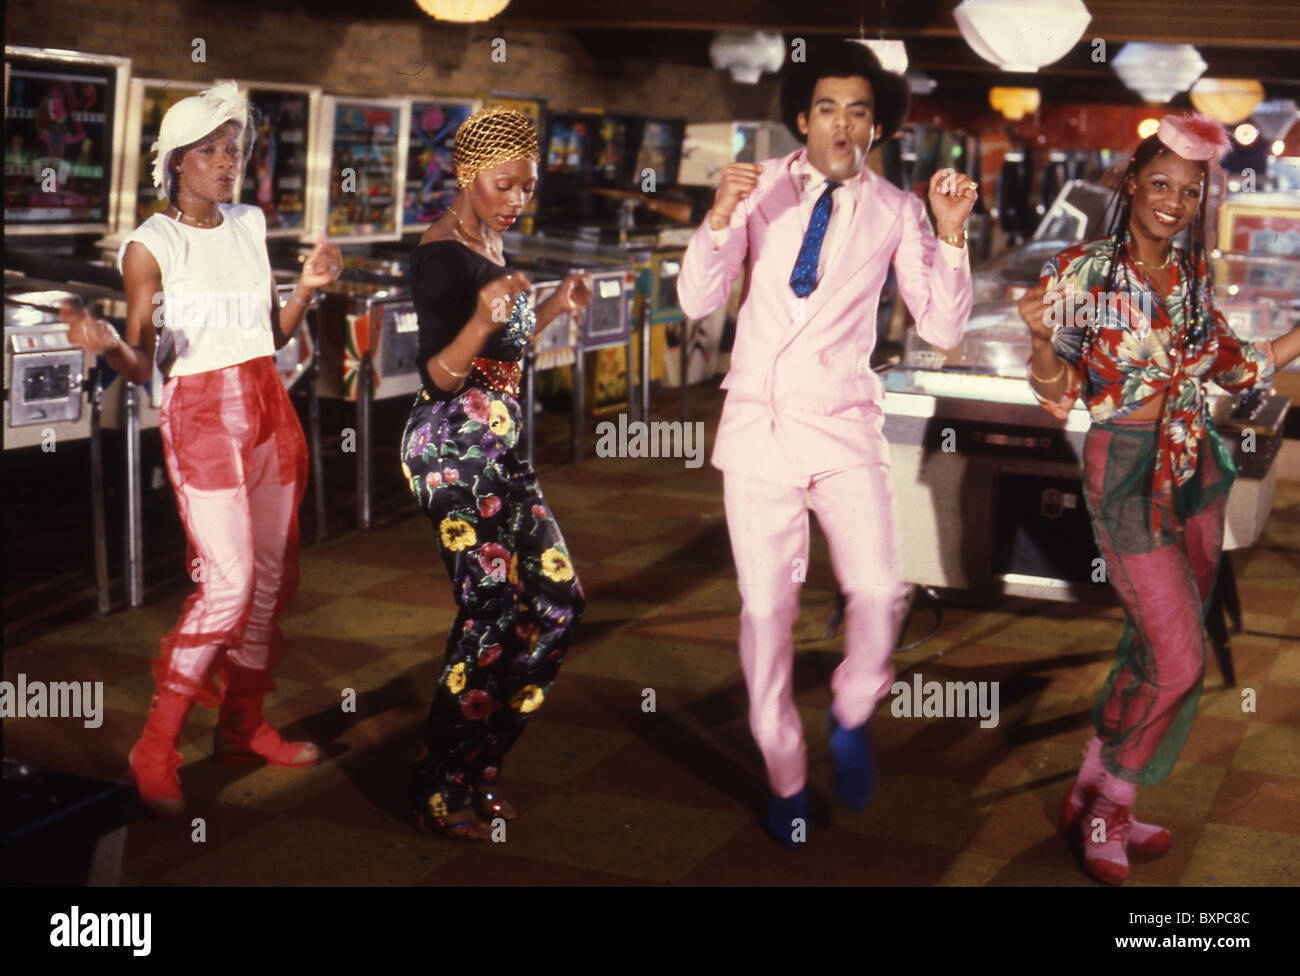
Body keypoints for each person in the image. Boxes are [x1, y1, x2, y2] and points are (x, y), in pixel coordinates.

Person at [676, 40, 977, 847]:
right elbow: (699, 300)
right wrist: (715, 218)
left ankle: (852, 708)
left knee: (880, 591)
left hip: (845, 426)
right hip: (758, 435)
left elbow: (943, 328)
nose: (841, 124)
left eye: (858, 111)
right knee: (766, 613)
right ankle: (785, 778)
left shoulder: (899, 210)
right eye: (825, 108)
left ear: (875, 128)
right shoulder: (758, 191)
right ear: (799, 119)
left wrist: (951, 235)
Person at [1018, 113, 1300, 884]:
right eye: (1161, 183)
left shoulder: (1193, 276)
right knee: (1179, 659)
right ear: (1132, 183)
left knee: (1159, 645)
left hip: (1192, 468)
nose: (1174, 201)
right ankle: (1110, 799)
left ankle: (1096, 784)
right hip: (1126, 474)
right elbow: (1057, 398)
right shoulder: (1082, 273)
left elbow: (1238, 365)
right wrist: (1043, 344)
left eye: (1190, 188)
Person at [64, 82, 342, 816]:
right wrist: (111, 345)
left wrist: (308, 288)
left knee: (272, 580)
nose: (229, 162)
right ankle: (154, 746)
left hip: (267, 406)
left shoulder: (250, 223)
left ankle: (242, 728)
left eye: (236, 149)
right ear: (177, 161)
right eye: (213, 150)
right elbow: (144, 357)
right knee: (230, 583)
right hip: (202, 418)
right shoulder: (150, 245)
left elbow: (271, 336)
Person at [401, 106, 591, 840]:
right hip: (451, 448)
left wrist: (549, 308)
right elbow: (444, 375)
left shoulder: (488, 239)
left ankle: (481, 762)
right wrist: (483, 317)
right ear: (467, 176)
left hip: (501, 448)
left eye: (527, 188)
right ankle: (438, 785)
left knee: (558, 603)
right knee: (487, 613)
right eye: (505, 186)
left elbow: (498, 359)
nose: (517, 200)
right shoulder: (441, 254)